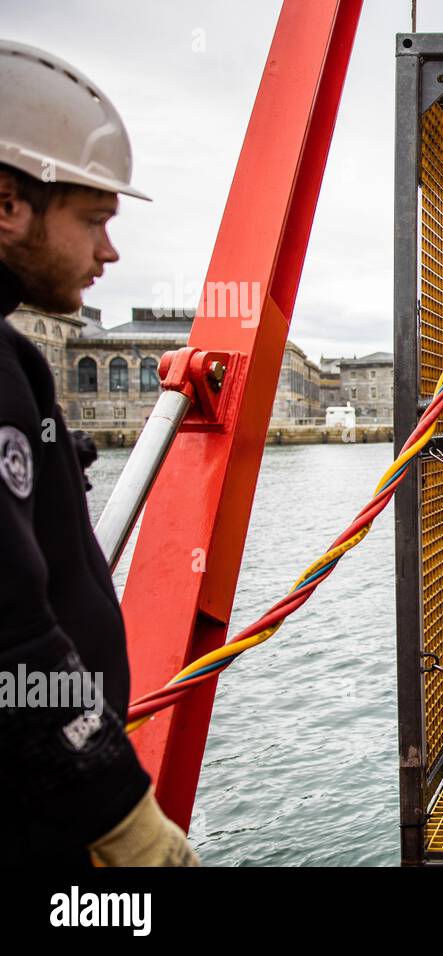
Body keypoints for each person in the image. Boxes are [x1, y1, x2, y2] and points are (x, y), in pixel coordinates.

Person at [0, 41, 198, 866]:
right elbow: (10, 639)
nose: (109, 252)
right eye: (93, 220)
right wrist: (127, 822)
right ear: (8, 203)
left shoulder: (16, 364)